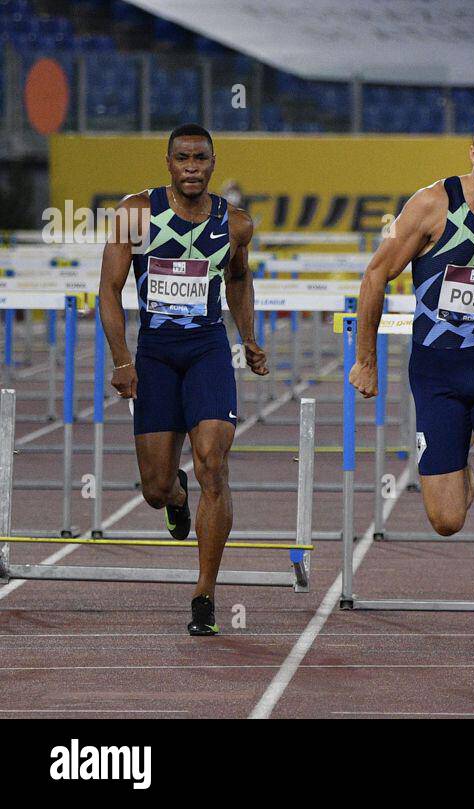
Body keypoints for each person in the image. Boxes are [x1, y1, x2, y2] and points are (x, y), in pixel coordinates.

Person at [349, 112, 474, 662]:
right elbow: (374, 275)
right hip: (435, 375)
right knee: (446, 520)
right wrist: (365, 360)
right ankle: (462, 466)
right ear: (473, 153)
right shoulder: (431, 205)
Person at [98, 123, 269, 636]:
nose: (192, 168)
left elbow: (238, 279)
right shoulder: (137, 213)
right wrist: (122, 360)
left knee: (212, 462)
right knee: (153, 488)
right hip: (155, 355)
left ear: (213, 163)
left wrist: (249, 338)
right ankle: (175, 498)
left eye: (201, 159)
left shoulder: (235, 225)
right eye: (182, 159)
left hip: (207, 351)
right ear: (168, 163)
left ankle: (204, 594)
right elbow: (108, 290)